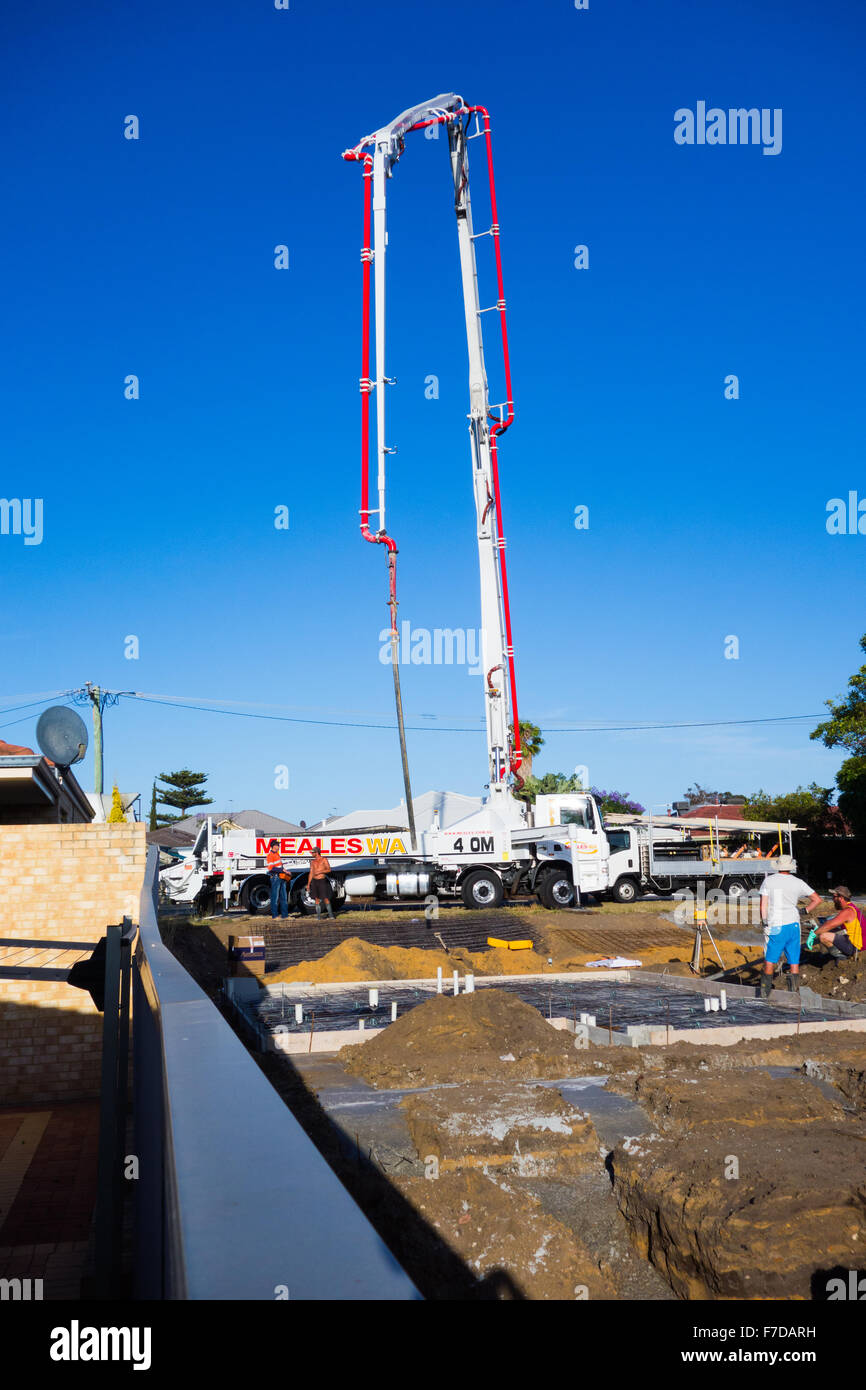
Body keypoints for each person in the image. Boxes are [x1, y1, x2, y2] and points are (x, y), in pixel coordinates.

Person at [758, 855, 821, 999]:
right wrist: (804, 911)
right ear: (791, 867)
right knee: (793, 960)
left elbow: (763, 905)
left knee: (770, 960)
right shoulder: (798, 882)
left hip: (776, 925)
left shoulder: (769, 881)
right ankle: (793, 993)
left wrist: (764, 921)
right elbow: (817, 899)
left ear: (778, 866)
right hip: (793, 924)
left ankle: (764, 994)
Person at [811, 885, 863, 959]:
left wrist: (813, 934)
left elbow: (830, 924)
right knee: (829, 931)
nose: (832, 899)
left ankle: (842, 957)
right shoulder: (852, 908)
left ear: (841, 898)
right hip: (859, 944)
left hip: (855, 947)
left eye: (834, 897)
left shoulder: (848, 911)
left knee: (823, 936)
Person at [307, 846, 335, 920]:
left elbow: (329, 869)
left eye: (313, 852)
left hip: (322, 880)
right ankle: (318, 917)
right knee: (316, 899)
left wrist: (320, 871)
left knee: (325, 898)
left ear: (317, 852)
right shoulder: (312, 862)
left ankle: (331, 915)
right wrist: (308, 884)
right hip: (314, 881)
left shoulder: (324, 859)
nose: (311, 854)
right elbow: (311, 873)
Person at [266, 838, 289, 920]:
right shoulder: (270, 855)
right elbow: (271, 868)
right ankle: (275, 916)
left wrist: (284, 871)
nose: (279, 847)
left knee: (284, 897)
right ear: (274, 846)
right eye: (277, 845)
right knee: (275, 897)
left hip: (281, 877)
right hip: (275, 877)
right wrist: (282, 870)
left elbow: (278, 866)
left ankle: (285, 916)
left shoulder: (277, 854)